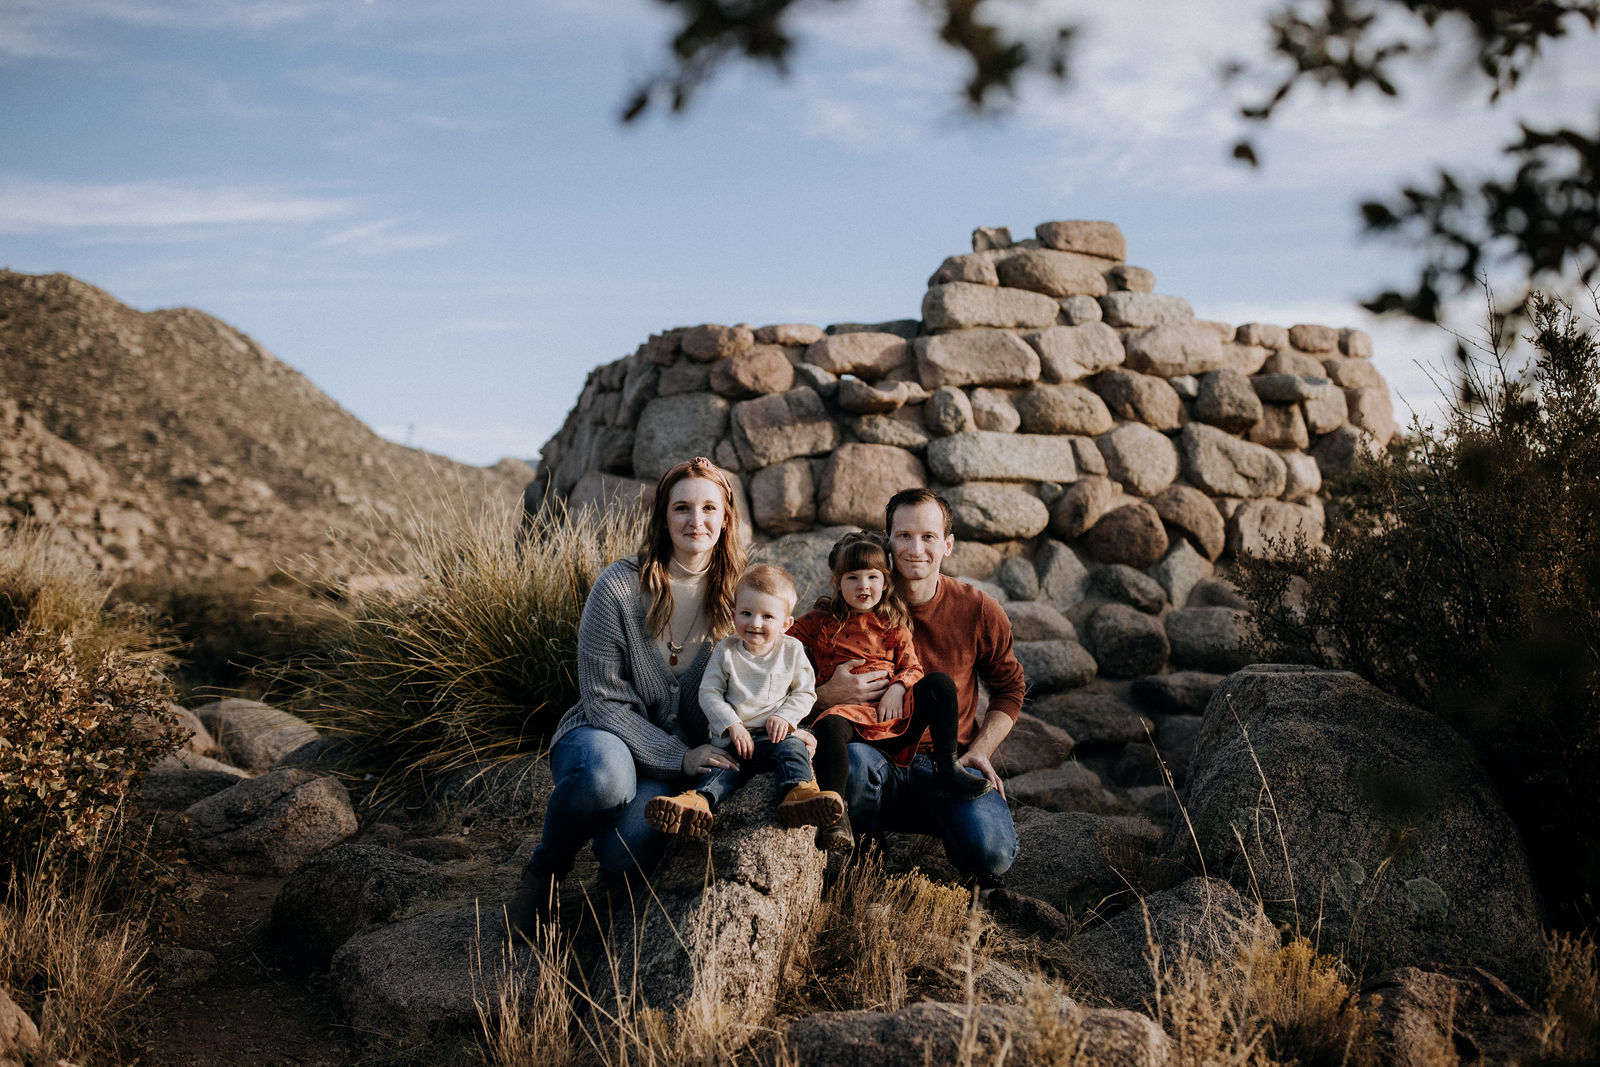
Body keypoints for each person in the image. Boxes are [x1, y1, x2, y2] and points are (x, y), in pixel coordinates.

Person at [506, 456, 750, 934]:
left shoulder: (741, 599)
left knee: (624, 852)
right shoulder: (618, 586)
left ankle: (602, 882)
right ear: (663, 515)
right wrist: (681, 756)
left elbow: (769, 679)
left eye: (708, 508)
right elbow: (602, 700)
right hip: (602, 736)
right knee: (604, 779)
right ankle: (545, 870)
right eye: (681, 508)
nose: (695, 521)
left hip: (677, 762)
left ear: (726, 517)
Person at [814, 488, 1024, 883]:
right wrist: (824, 695)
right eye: (904, 536)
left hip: (947, 763)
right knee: (854, 764)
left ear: (947, 544)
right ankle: (867, 859)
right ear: (888, 540)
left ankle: (949, 822)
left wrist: (980, 751)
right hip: (873, 757)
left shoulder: (977, 609)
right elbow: (785, 673)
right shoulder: (851, 601)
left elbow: (1010, 688)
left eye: (928, 537)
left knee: (992, 854)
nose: (916, 548)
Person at [789, 531, 991, 851]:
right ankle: (835, 815)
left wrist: (898, 687)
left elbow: (912, 667)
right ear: (836, 581)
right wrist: (816, 689)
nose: (863, 586)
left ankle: (948, 767)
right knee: (828, 725)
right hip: (849, 718)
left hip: (894, 718)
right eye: (852, 578)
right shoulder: (821, 621)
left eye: (872, 577)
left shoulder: (892, 621)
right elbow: (781, 642)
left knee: (939, 684)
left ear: (885, 581)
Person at [643, 563, 843, 839]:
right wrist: (731, 724)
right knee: (720, 769)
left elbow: (805, 692)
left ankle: (799, 793)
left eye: (767, 616)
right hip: (736, 741)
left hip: (775, 736)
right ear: (734, 614)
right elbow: (709, 693)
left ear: (786, 624)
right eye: (746, 613)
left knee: (794, 750)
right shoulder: (726, 651)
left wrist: (785, 717)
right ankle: (697, 802)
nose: (755, 623)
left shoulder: (792, 651)